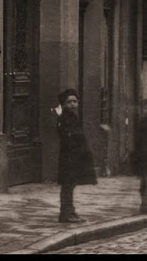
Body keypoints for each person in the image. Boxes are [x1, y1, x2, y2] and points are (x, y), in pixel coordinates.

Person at [55, 88, 97, 224]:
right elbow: (68, 137)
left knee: (70, 185)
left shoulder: (72, 117)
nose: (73, 104)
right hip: (69, 157)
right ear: (64, 104)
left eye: (75, 101)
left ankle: (69, 211)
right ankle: (66, 213)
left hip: (73, 157)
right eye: (69, 102)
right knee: (68, 185)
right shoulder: (65, 118)